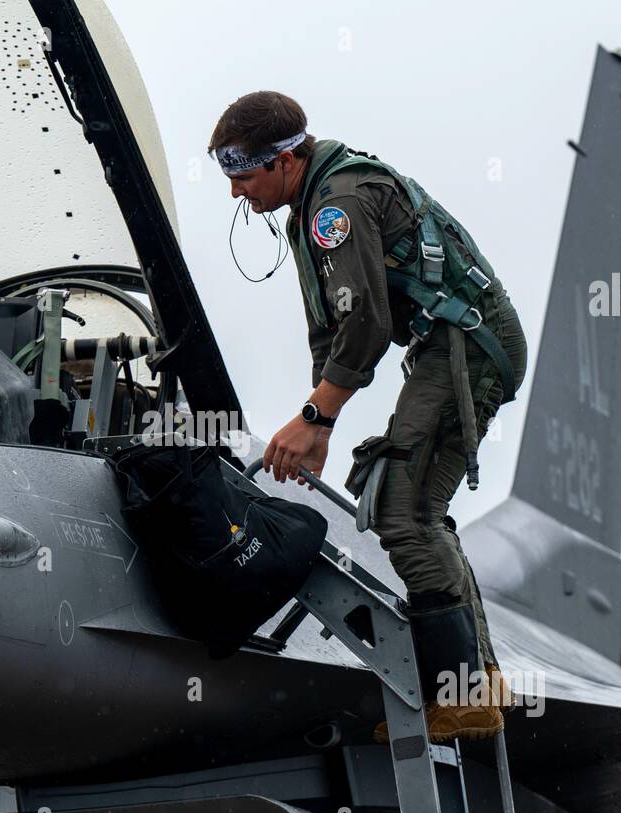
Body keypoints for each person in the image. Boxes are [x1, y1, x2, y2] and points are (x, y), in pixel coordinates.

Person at [207, 91, 527, 743]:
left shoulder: (335, 205)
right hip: (452, 344)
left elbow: (370, 323)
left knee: (402, 511)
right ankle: (480, 680)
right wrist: (316, 424)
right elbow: (330, 329)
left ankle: (461, 697)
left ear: (286, 160)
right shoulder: (309, 210)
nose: (237, 193)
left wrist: (315, 413)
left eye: (243, 175)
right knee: (415, 508)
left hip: (469, 342)